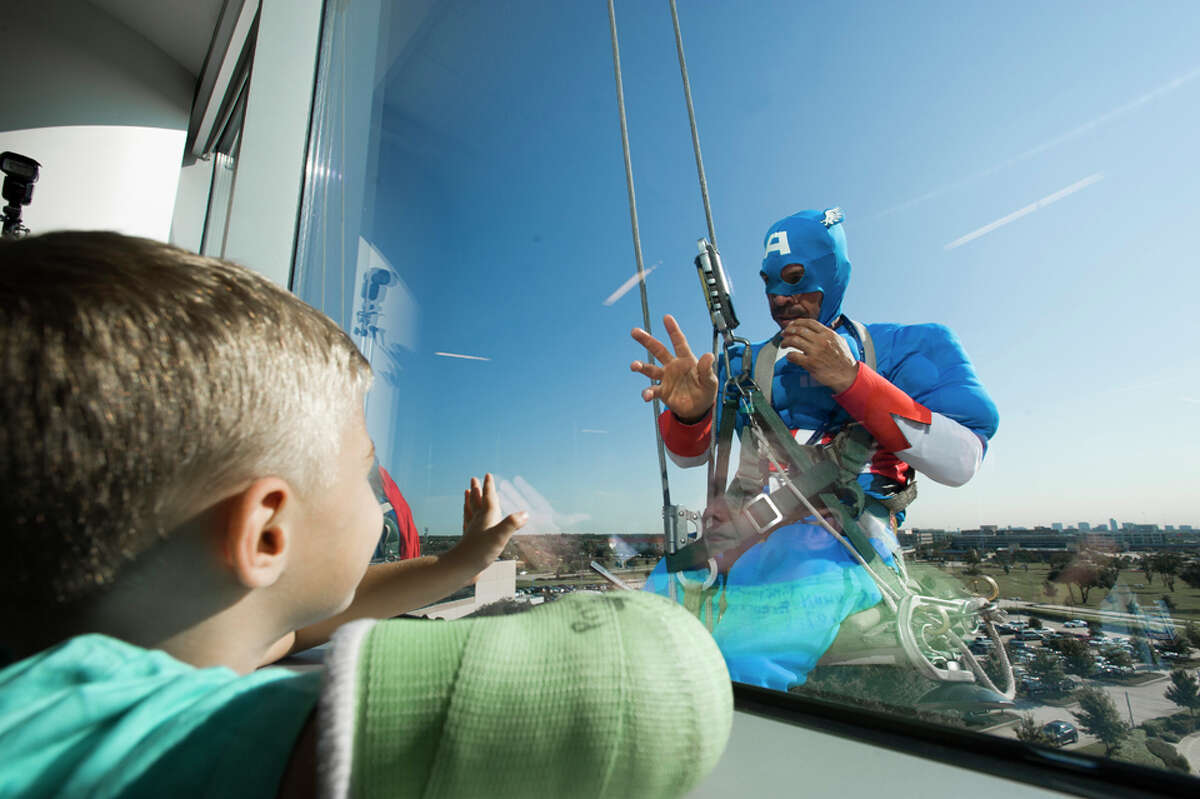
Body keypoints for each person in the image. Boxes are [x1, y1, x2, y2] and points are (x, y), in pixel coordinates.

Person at [0, 232, 732, 797]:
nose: (381, 496)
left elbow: (311, 619)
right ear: (267, 532)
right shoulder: (158, 747)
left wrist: (456, 564)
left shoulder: (168, 645)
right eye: (365, 470)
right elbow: (664, 681)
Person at [630, 207, 998, 691]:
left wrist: (854, 382)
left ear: (832, 273)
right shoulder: (744, 365)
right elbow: (688, 457)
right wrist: (691, 415)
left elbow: (962, 460)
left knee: (741, 662)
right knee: (639, 629)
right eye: (769, 283)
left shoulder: (907, 349)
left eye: (795, 278)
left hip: (844, 545)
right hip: (742, 540)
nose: (780, 298)